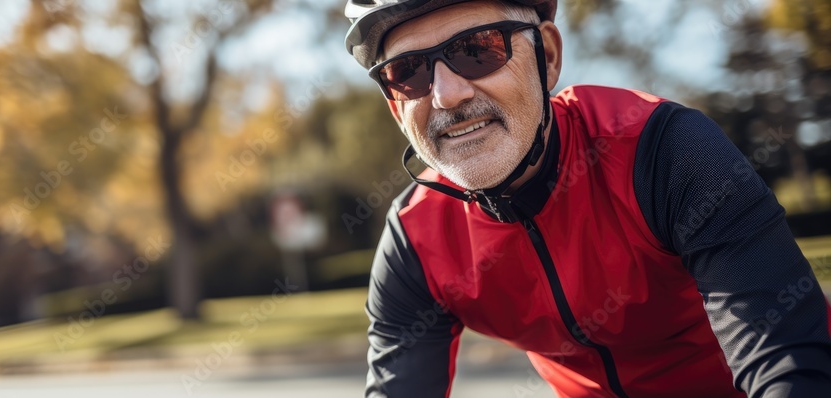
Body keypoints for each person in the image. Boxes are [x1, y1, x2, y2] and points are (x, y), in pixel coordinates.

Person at [342, 1, 831, 397]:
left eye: (476, 49)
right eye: (408, 72)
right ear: (394, 103)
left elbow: (788, 364)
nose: (446, 95)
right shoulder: (416, 237)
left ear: (547, 56)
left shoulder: (664, 150)